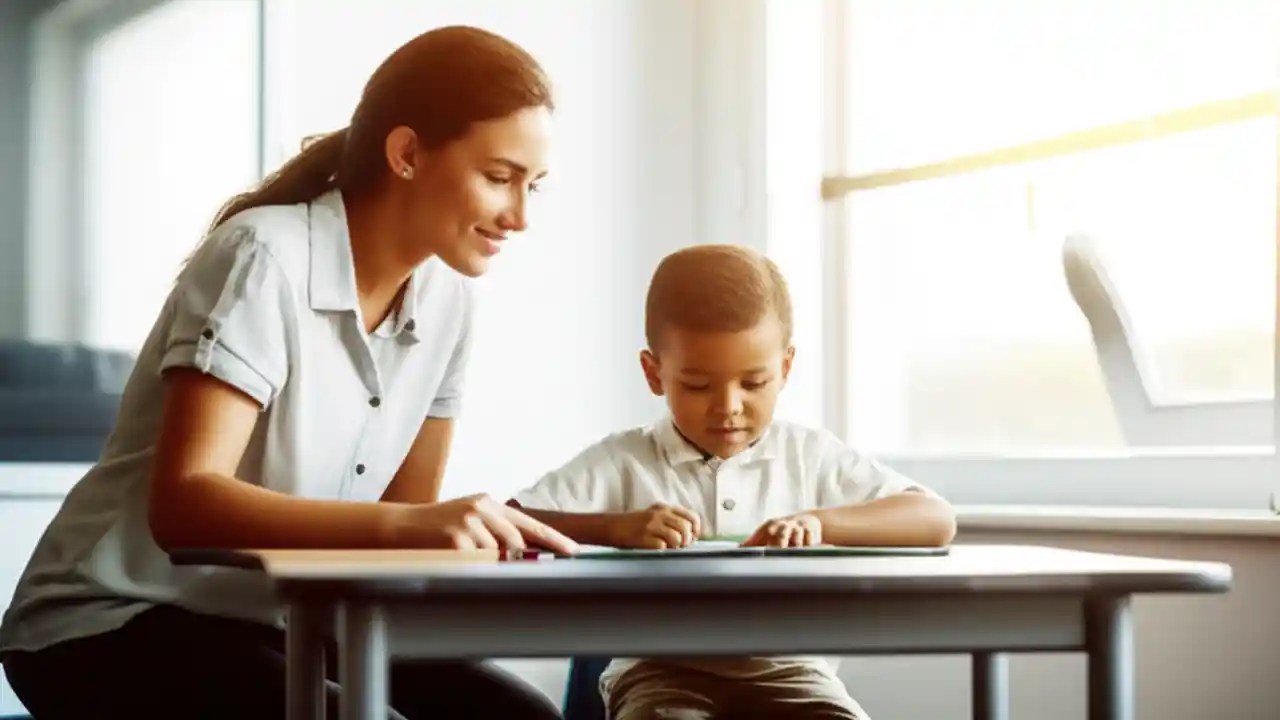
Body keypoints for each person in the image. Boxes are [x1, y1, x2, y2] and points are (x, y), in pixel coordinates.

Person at [0, 25, 578, 719]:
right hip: (109, 622)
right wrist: (415, 527)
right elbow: (185, 507)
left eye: (533, 186)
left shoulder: (449, 303)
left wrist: (524, 530)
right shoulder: (262, 256)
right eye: (499, 178)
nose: (520, 217)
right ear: (406, 154)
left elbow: (402, 532)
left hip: (279, 623)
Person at [510, 244, 957, 720]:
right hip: (660, 672)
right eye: (698, 386)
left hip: (791, 670)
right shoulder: (624, 460)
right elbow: (507, 522)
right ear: (654, 373)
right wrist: (613, 529)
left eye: (754, 383)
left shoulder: (808, 455)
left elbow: (935, 519)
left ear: (785, 369)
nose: (728, 407)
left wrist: (820, 523)